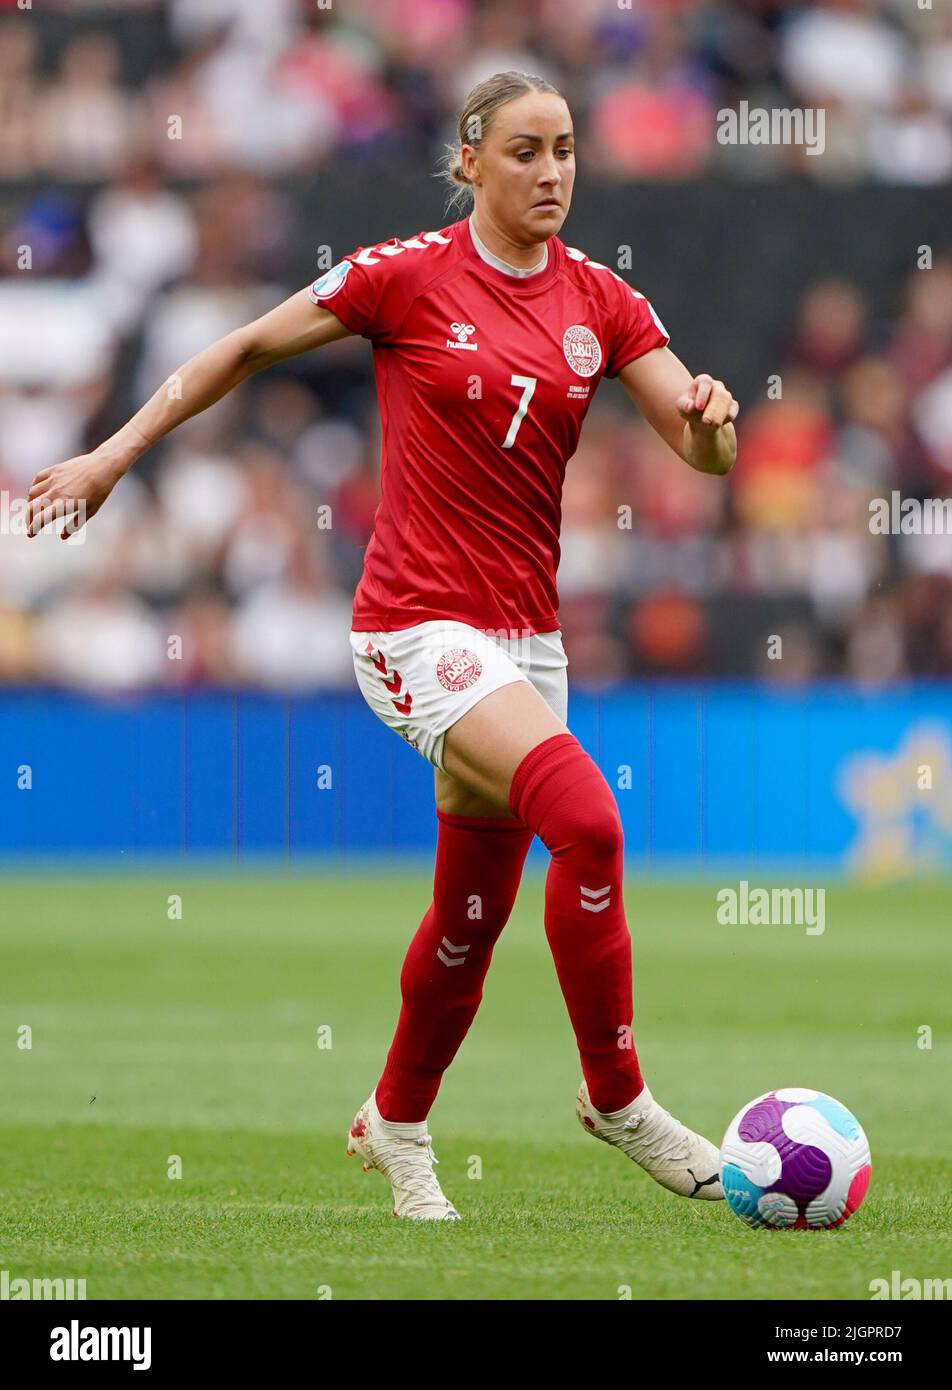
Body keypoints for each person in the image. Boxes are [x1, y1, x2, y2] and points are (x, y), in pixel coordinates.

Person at [27, 71, 739, 1222]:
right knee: (591, 822)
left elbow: (699, 449)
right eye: (523, 151)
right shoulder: (405, 275)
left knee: (472, 915)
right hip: (413, 625)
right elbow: (242, 349)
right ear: (470, 163)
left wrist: (712, 425)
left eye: (564, 149)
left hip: (526, 640)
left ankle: (395, 1124)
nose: (551, 172)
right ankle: (619, 1098)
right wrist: (114, 453)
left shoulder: (603, 301)